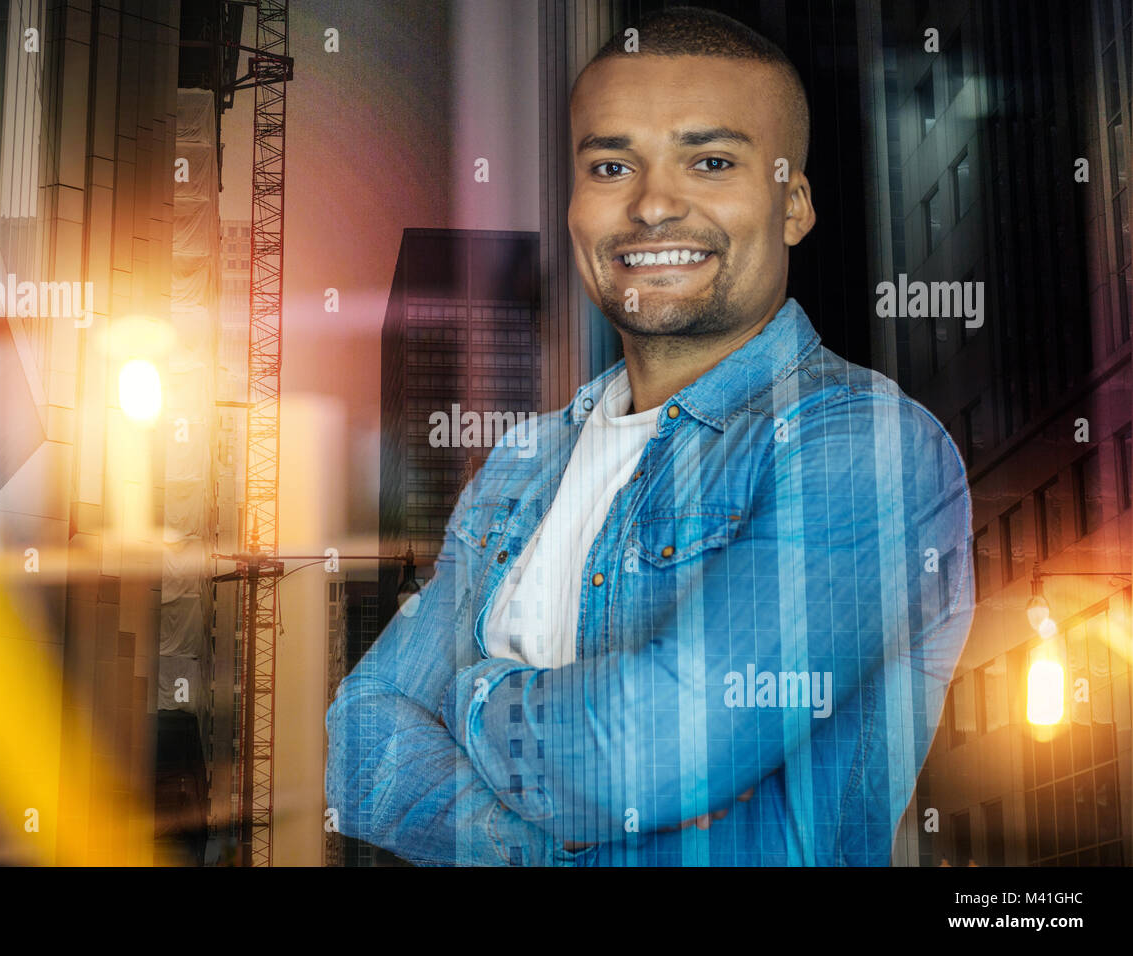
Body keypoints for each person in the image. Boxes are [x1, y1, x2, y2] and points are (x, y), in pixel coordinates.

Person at [325, 6, 974, 866]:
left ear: (794, 205)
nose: (654, 204)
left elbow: (655, 752)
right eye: (611, 164)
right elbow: (356, 746)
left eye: (710, 161)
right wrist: (530, 845)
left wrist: (470, 695)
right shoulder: (519, 468)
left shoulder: (870, 446)